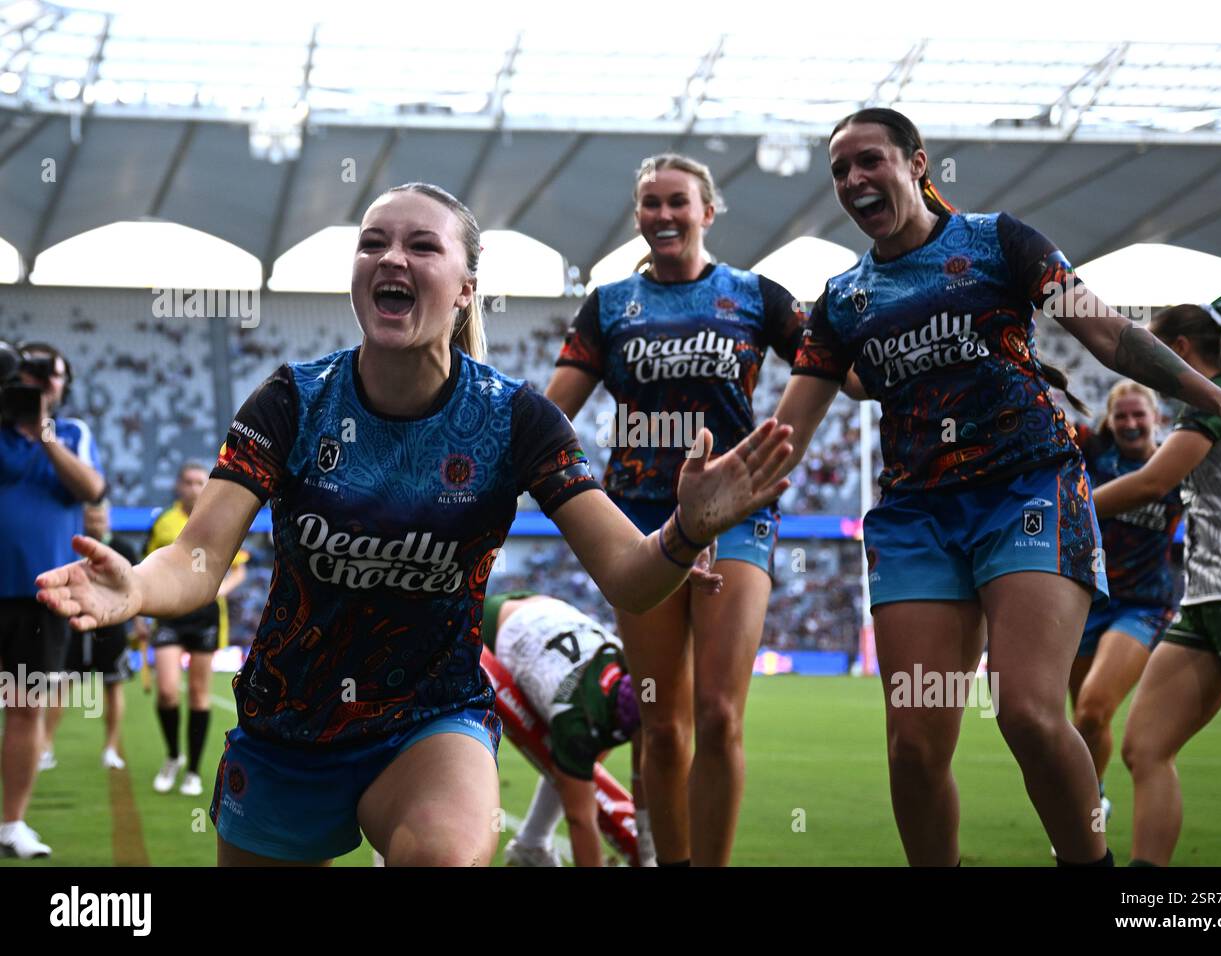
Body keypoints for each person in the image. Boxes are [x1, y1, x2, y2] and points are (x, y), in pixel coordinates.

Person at [35, 182, 793, 867]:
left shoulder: (517, 419)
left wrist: (686, 528)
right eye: (374, 242)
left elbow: (630, 575)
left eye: (421, 245)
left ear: (466, 289)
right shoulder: (290, 402)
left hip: (431, 717)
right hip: (289, 726)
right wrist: (134, 586)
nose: (391, 256)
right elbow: (201, 558)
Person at [771, 107, 1221, 867]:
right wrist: (710, 518)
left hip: (1028, 490)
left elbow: (1109, 333)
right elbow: (785, 434)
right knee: (914, 748)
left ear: (917, 164)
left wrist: (1216, 397)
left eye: (870, 161)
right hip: (917, 515)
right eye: (840, 170)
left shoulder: (998, 242)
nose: (854, 179)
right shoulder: (842, 301)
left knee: (1026, 712)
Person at [545, 153, 806, 867]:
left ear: (707, 211)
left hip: (735, 514)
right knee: (661, 728)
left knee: (719, 716)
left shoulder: (756, 296)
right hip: (640, 524)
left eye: (677, 202)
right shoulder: (609, 306)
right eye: (650, 204)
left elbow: (833, 363)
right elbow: (548, 416)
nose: (663, 215)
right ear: (638, 217)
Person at [1089, 301, 1221, 866]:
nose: (1139, 365)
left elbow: (1152, 481)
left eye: (1148, 351)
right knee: (1145, 748)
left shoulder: (1214, 405)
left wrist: (1069, 508)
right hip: (1209, 605)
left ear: (1177, 351)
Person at [0, 342, 105, 859]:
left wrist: (43, 436)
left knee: (24, 710)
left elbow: (90, 487)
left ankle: (11, 824)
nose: (40, 380)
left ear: (65, 384)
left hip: (42, 596)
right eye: (28, 370)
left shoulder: (72, 433)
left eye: (51, 373)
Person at [1068, 383, 1183, 822]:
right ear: (1109, 421)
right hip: (1087, 600)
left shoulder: (1175, 463)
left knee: (1094, 706)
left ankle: (1086, 807)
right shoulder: (1094, 451)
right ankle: (1093, 799)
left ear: (1157, 419)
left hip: (1144, 605)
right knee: (1085, 723)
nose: (1131, 424)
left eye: (1139, 415)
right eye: (1122, 416)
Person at [481, 590, 644, 867]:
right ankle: (531, 843)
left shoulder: (630, 668)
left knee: (579, 758)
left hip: (545, 610)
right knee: (576, 761)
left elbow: (644, 776)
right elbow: (580, 819)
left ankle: (531, 842)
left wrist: (650, 847)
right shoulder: (576, 722)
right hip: (495, 624)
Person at [140, 461, 249, 797]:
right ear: (178, 486)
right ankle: (173, 755)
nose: (193, 487)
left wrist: (220, 589)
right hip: (170, 612)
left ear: (209, 484)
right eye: (187, 481)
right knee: (168, 691)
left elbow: (239, 569)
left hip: (205, 616)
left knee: (199, 694)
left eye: (200, 481)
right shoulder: (163, 522)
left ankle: (192, 771)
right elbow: (147, 566)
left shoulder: (222, 519)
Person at [42, 500, 138, 771]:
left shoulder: (123, 548)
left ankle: (110, 748)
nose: (96, 521)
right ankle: (45, 747)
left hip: (112, 628)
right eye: (90, 517)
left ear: (108, 518)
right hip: (71, 626)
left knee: (113, 687)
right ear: (82, 518)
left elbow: (138, 587)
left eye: (100, 517)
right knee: (60, 686)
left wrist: (140, 624)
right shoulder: (67, 545)